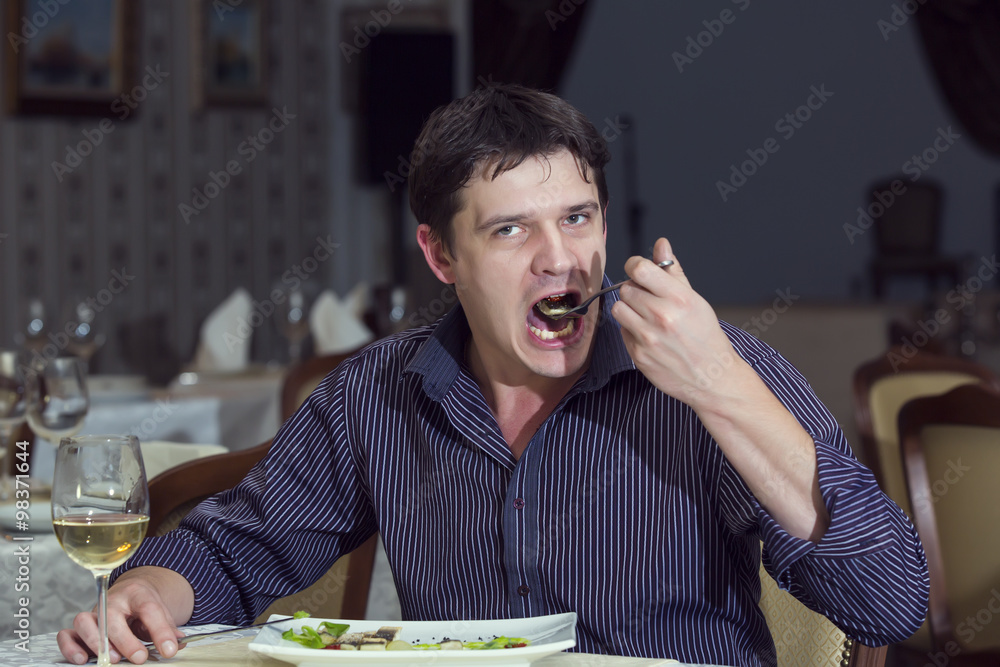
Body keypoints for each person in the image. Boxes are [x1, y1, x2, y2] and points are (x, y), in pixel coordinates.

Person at [59, 84, 928, 666]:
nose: (562, 261)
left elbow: (891, 602)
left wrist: (723, 388)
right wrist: (148, 590)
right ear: (441, 254)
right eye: (512, 231)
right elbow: (241, 542)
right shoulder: (380, 392)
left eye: (578, 217)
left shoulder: (713, 374)